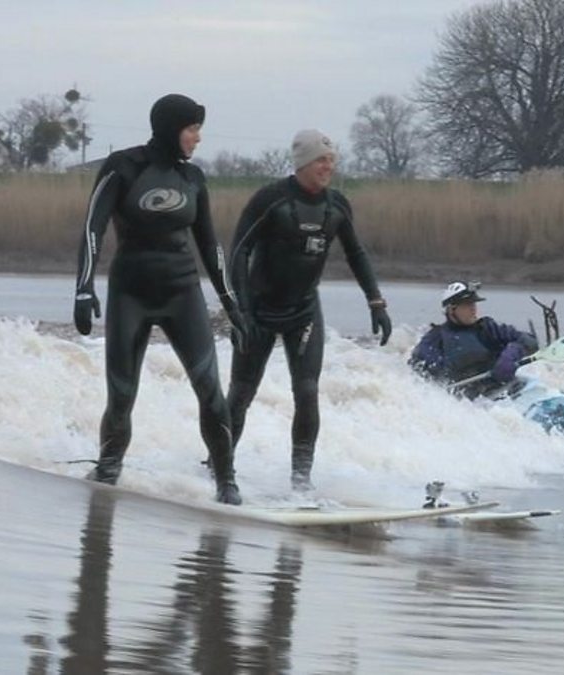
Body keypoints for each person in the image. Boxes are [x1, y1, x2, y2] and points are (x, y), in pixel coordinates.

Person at [72, 93, 247, 505]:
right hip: (130, 294)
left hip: (182, 293)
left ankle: (227, 483)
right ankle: (108, 472)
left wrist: (230, 301)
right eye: (192, 129)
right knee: (121, 395)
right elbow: (92, 229)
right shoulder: (124, 168)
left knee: (211, 393)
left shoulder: (193, 179)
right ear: (172, 130)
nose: (198, 138)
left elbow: (210, 245)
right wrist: (84, 287)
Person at [226, 129, 392, 491]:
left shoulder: (336, 206)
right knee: (241, 393)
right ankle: (221, 467)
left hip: (303, 311)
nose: (327, 166)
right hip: (259, 311)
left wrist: (376, 302)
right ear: (303, 162)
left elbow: (356, 254)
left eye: (331, 160)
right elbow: (238, 252)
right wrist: (242, 309)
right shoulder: (271, 200)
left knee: (306, 391)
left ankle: (301, 479)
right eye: (321, 160)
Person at [408, 281, 538, 399]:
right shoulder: (435, 339)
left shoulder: (487, 328)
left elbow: (529, 341)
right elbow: (417, 370)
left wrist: (512, 353)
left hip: (509, 388)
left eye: (474, 303)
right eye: (467, 305)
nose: (473, 309)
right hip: (477, 401)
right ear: (452, 309)